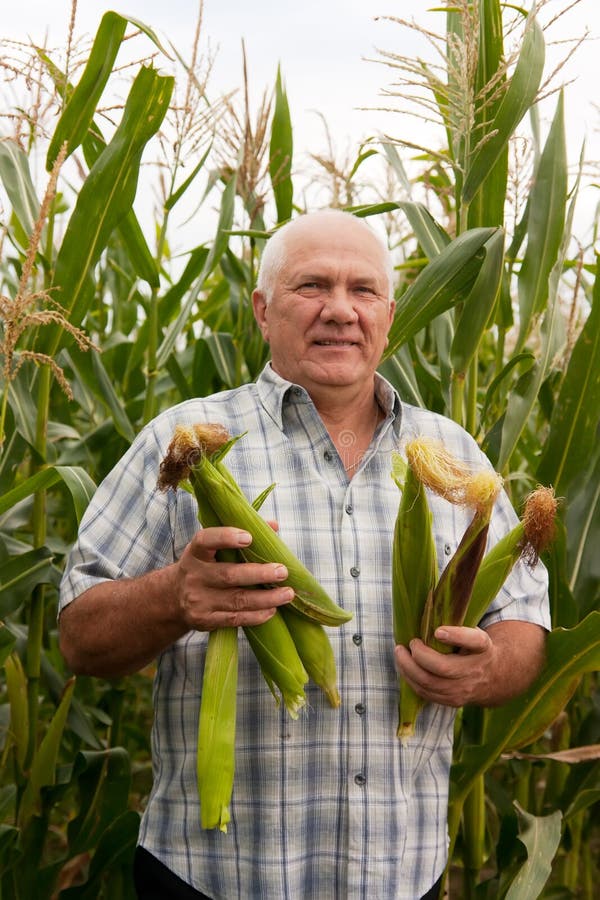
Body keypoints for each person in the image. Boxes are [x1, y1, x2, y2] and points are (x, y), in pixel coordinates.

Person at [59, 209, 550, 900]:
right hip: (214, 879)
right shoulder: (186, 442)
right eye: (312, 286)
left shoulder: (456, 457)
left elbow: (525, 624)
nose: (340, 311)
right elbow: (79, 638)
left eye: (363, 291)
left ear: (389, 312)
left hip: (402, 876)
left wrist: (487, 667)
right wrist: (175, 597)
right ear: (263, 310)